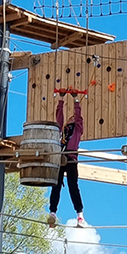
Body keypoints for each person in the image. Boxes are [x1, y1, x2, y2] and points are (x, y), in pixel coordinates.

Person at [47, 89, 85, 228]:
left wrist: (76, 100)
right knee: (56, 185)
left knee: (72, 185)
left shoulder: (77, 129)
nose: (72, 118)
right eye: (70, 118)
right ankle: (52, 213)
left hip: (70, 157)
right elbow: (59, 117)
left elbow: (78, 116)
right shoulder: (62, 130)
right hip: (60, 157)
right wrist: (61, 99)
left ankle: (80, 214)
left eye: (73, 118)